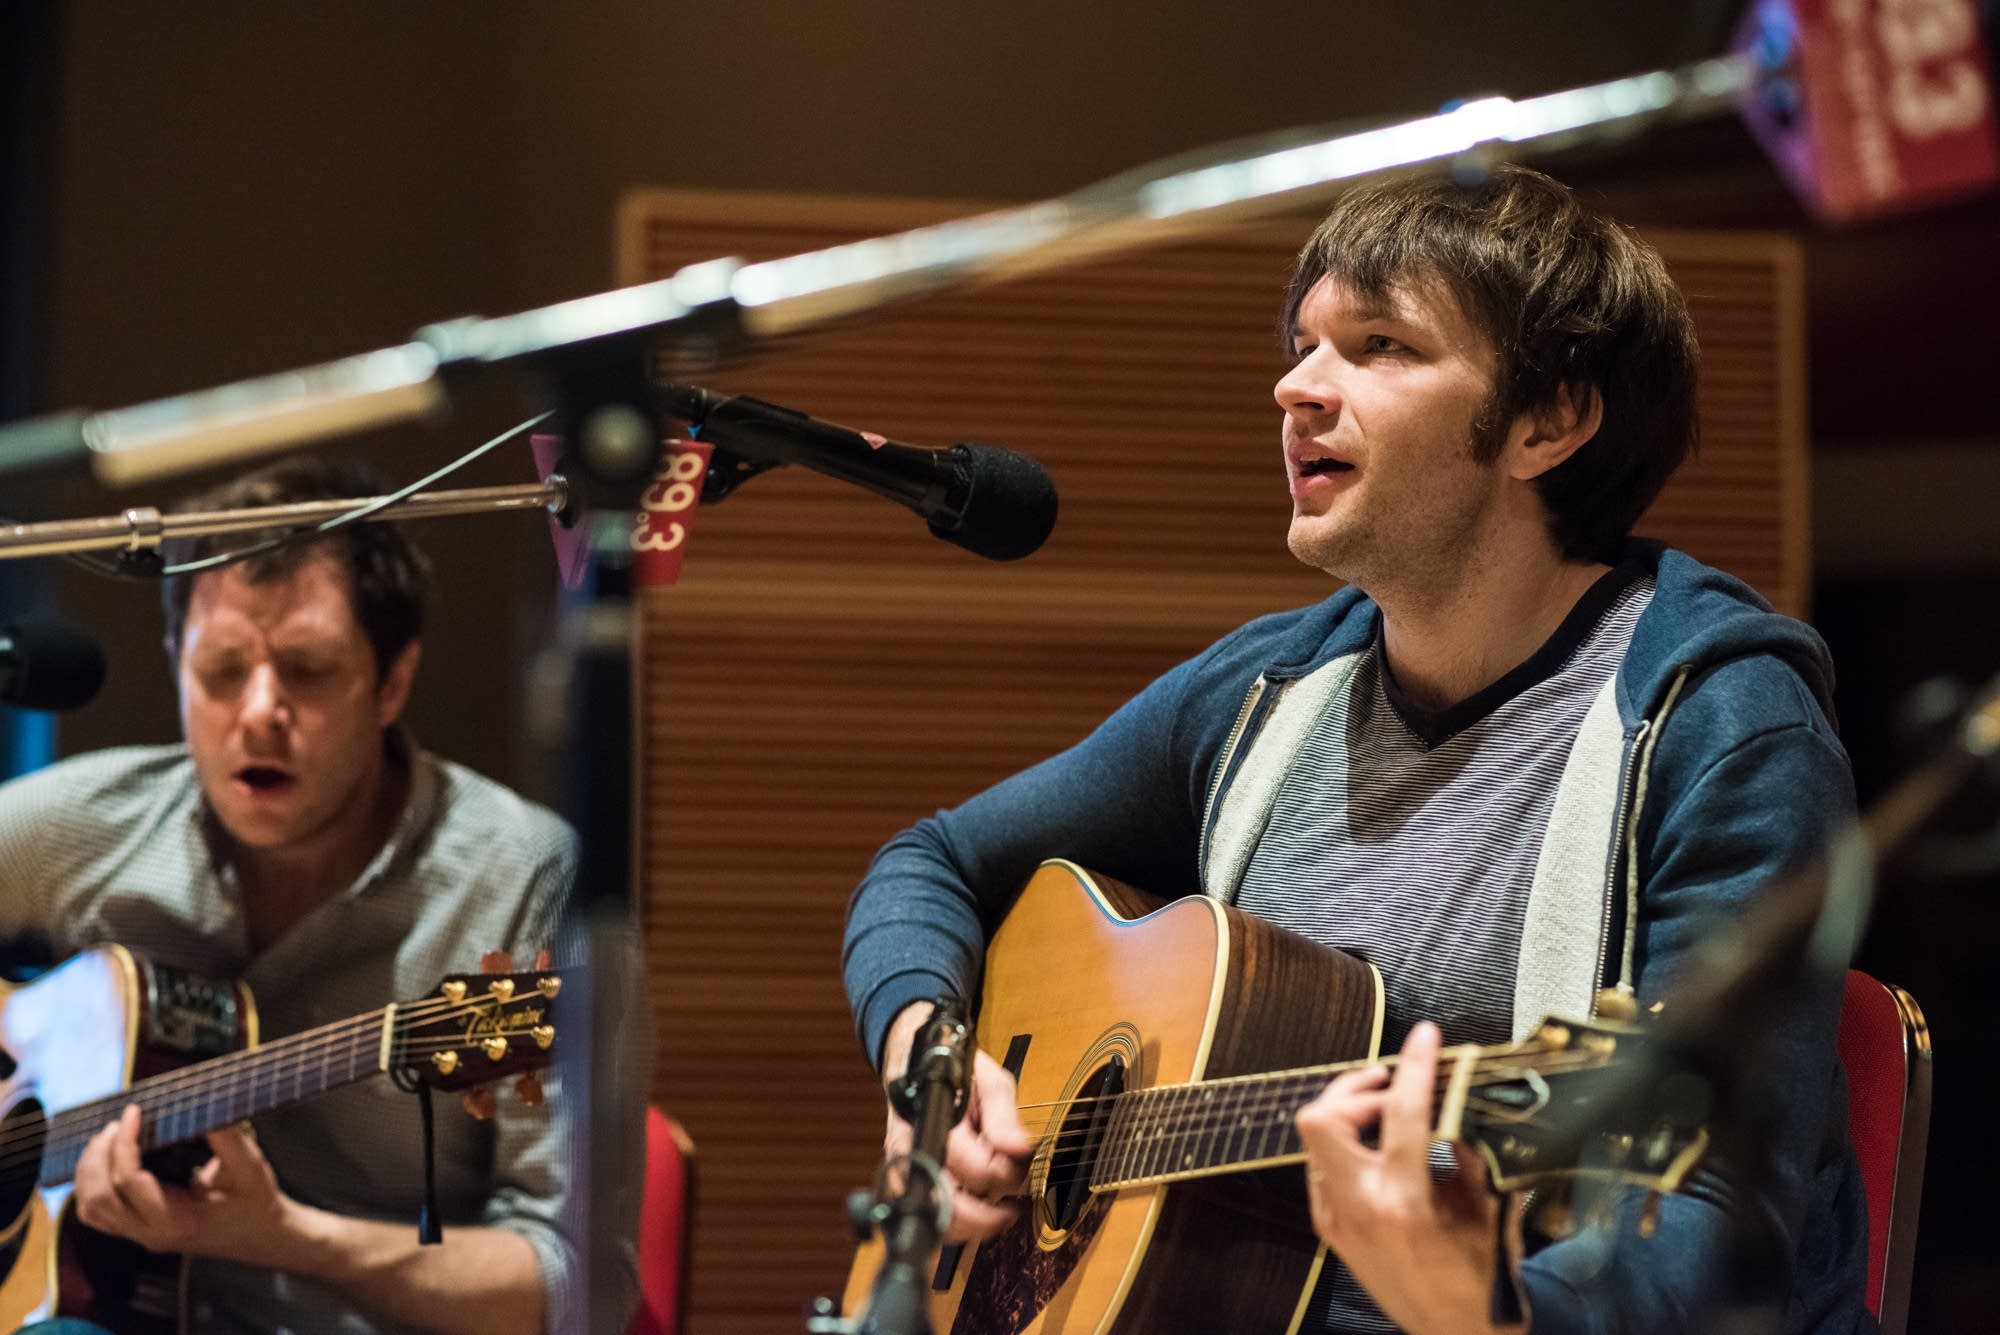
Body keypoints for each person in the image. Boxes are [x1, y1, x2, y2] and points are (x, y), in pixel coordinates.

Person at [842, 165, 1871, 1333]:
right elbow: (927, 863)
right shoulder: (1265, 688)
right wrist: (931, 1080)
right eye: (1301, 344)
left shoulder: (1717, 726)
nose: (1294, 387)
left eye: (1377, 345)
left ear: (1549, 421)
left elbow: (1717, 1216)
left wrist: (1490, 1311)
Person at [0, 456, 602, 1335]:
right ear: (174, 661)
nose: (258, 711)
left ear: (393, 680)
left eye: (308, 670)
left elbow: (572, 1280)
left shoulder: (524, 876)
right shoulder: (81, 826)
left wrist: (284, 1236)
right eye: (220, 671)